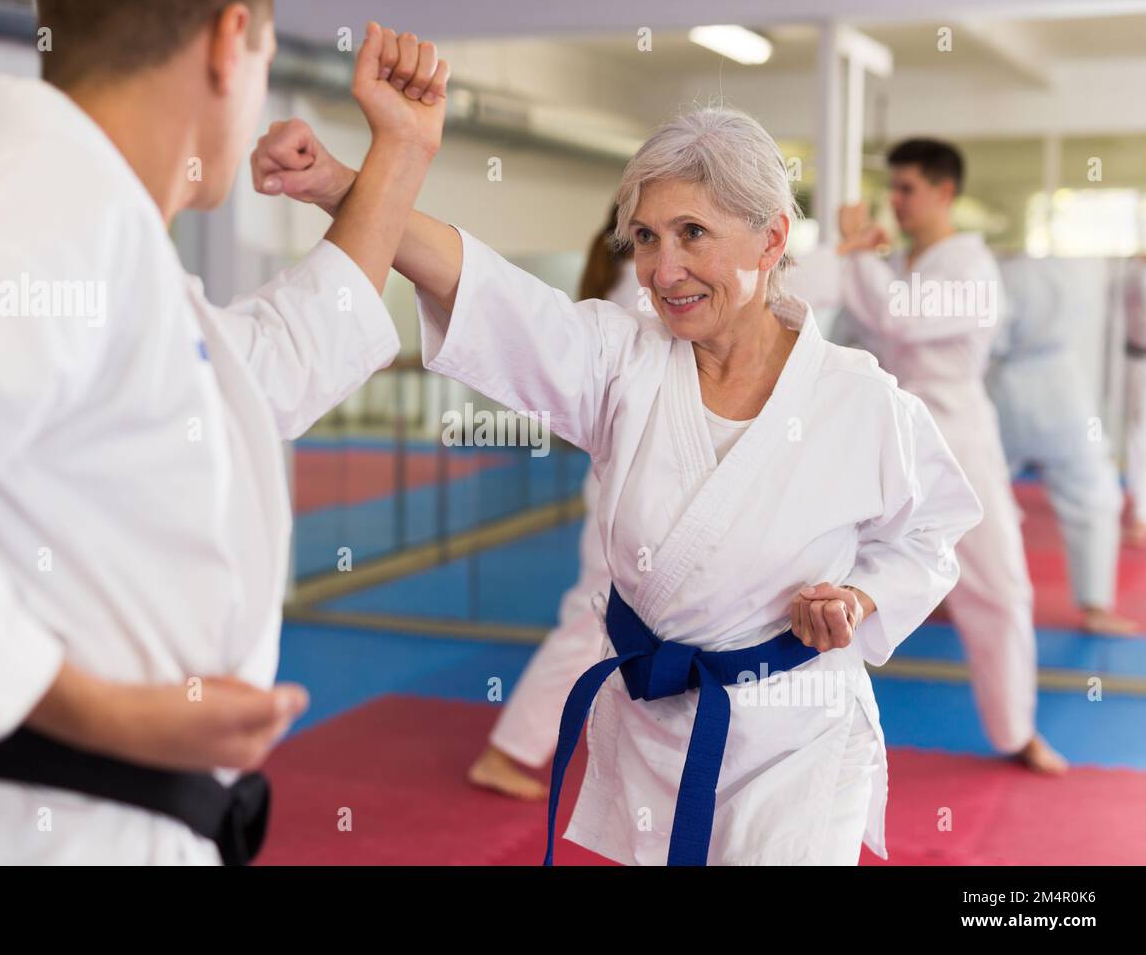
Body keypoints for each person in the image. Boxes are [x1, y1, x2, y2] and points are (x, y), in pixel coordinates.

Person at [253, 106, 983, 865]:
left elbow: (934, 527)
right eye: (646, 237)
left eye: (693, 233)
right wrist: (342, 186)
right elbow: (488, 291)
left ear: (770, 239)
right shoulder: (619, 361)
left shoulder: (858, 400)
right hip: (656, 724)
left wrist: (862, 597)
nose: (664, 271)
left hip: (797, 734)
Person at [0, 6, 449, 864]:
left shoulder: (102, 231)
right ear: (228, 38)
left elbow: (269, 365)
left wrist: (402, 153)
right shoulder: (44, 202)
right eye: (267, 55)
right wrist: (101, 713)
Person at [838, 138, 1066, 773]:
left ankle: (1017, 731)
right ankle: (803, 724)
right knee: (831, 575)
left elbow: (899, 319)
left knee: (998, 588)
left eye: (908, 188)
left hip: (957, 439)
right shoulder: (914, 259)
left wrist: (859, 250)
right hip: (893, 438)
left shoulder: (970, 267)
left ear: (945, 192)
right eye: (894, 188)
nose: (898, 201)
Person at [468, 208, 633, 800]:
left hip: (632, 488)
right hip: (627, 493)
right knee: (593, 620)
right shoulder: (638, 290)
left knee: (614, 622)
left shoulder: (623, 281)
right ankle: (507, 750)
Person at [989, 255, 1137, 635]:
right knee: (1094, 494)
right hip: (1062, 392)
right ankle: (1096, 608)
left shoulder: (996, 271)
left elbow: (991, 333)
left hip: (1003, 389)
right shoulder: (1081, 274)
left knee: (972, 493)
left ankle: (948, 588)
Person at [1124, 257, 1146, 547]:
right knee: (1138, 435)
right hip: (1137, 359)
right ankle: (1141, 512)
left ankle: (1142, 513)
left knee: (1139, 435)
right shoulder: (1132, 272)